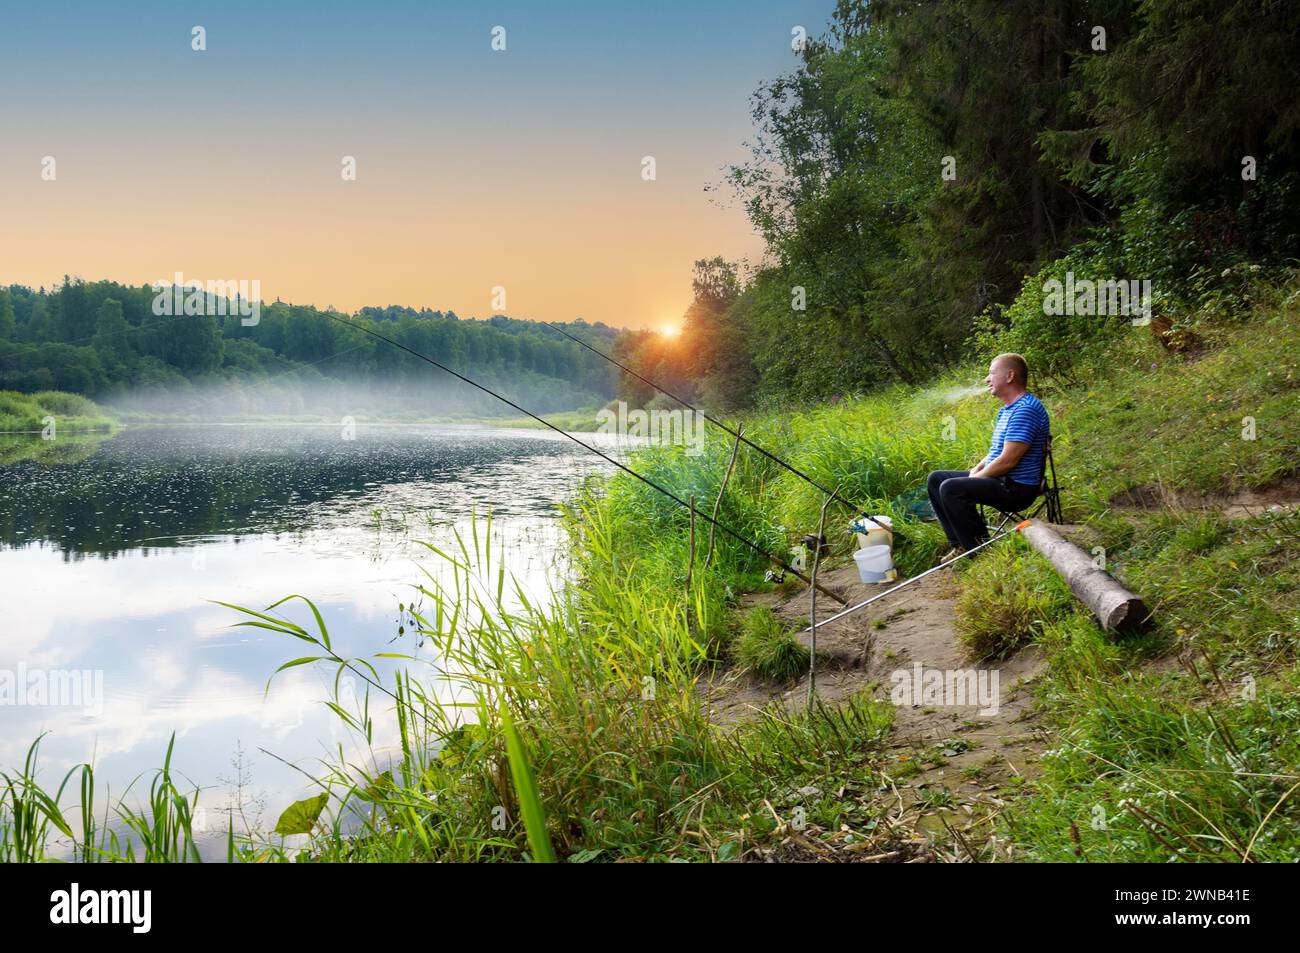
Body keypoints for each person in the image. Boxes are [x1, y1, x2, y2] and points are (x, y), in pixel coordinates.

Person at [927, 353, 1051, 561]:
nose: (987, 379)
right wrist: (976, 470)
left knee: (951, 488)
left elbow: (1008, 461)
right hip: (1001, 479)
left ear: (1009, 376)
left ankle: (981, 553)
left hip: (1017, 488)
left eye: (992, 373)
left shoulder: (1026, 410)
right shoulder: (1007, 410)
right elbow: (997, 452)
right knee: (936, 479)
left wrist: (976, 478)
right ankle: (960, 545)